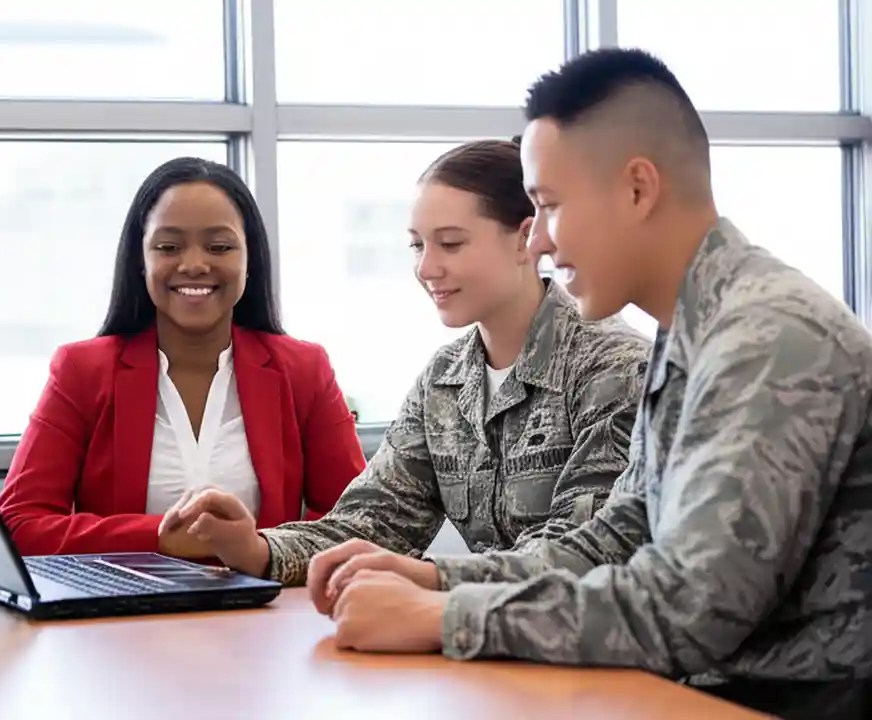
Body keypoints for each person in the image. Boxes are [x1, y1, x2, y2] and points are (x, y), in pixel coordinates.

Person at [303, 49, 871, 720]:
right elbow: (613, 541)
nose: (539, 242)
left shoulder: (765, 336)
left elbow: (686, 609)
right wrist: (434, 578)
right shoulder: (695, 328)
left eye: (549, 206)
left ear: (637, 189)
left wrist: (443, 615)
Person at [159, 139, 650, 584]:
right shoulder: (444, 381)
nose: (426, 267)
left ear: (525, 238)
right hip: (485, 639)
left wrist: (429, 580)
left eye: (451, 244)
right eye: (418, 244)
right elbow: (372, 522)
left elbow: (584, 554)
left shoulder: (615, 368)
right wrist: (255, 548)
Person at [0, 157, 366, 559]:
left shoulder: (304, 370)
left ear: (250, 260)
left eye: (219, 247)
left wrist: (263, 553)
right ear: (141, 260)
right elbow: (19, 524)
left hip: (266, 599)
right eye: (168, 247)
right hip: (126, 600)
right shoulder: (81, 371)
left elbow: (358, 524)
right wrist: (158, 538)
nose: (194, 265)